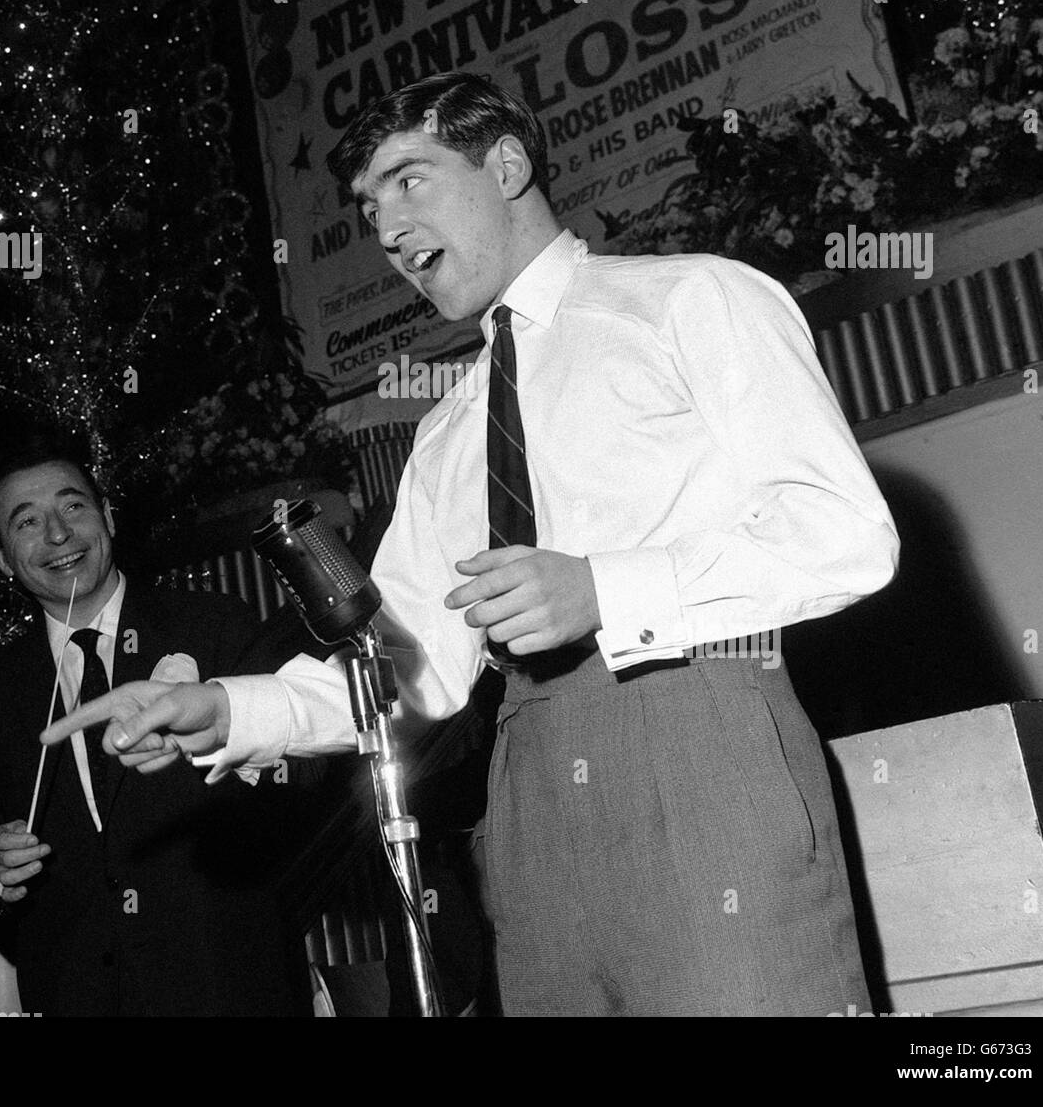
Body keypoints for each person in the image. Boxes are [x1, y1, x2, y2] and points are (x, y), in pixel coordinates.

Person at [47, 72, 900, 1016]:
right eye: (370, 208)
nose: (387, 229)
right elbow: (407, 668)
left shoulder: (693, 299)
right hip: (526, 793)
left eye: (408, 180)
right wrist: (228, 709)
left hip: (701, 743)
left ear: (506, 165)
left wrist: (605, 590)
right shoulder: (446, 432)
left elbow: (846, 531)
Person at [0, 435, 313, 1016]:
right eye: (27, 522)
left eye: (73, 506)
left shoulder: (215, 626)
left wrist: (222, 740)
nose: (58, 535)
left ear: (108, 518)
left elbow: (305, 777)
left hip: (225, 990)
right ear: (1, 559)